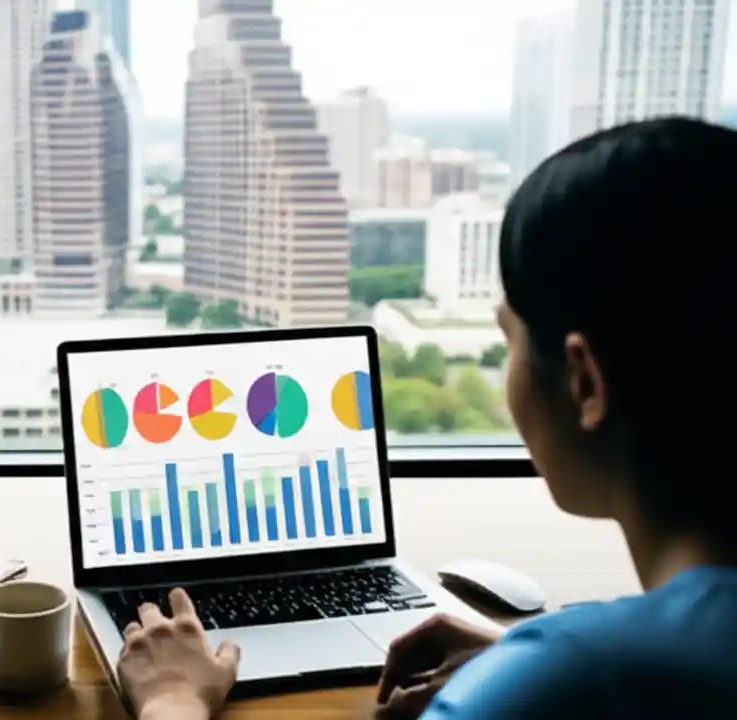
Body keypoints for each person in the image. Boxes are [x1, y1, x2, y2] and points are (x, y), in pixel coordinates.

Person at [115, 117, 737, 719]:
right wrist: (521, 667)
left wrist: (173, 701)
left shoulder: (574, 673)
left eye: (508, 335)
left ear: (582, 382)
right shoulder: (596, 668)